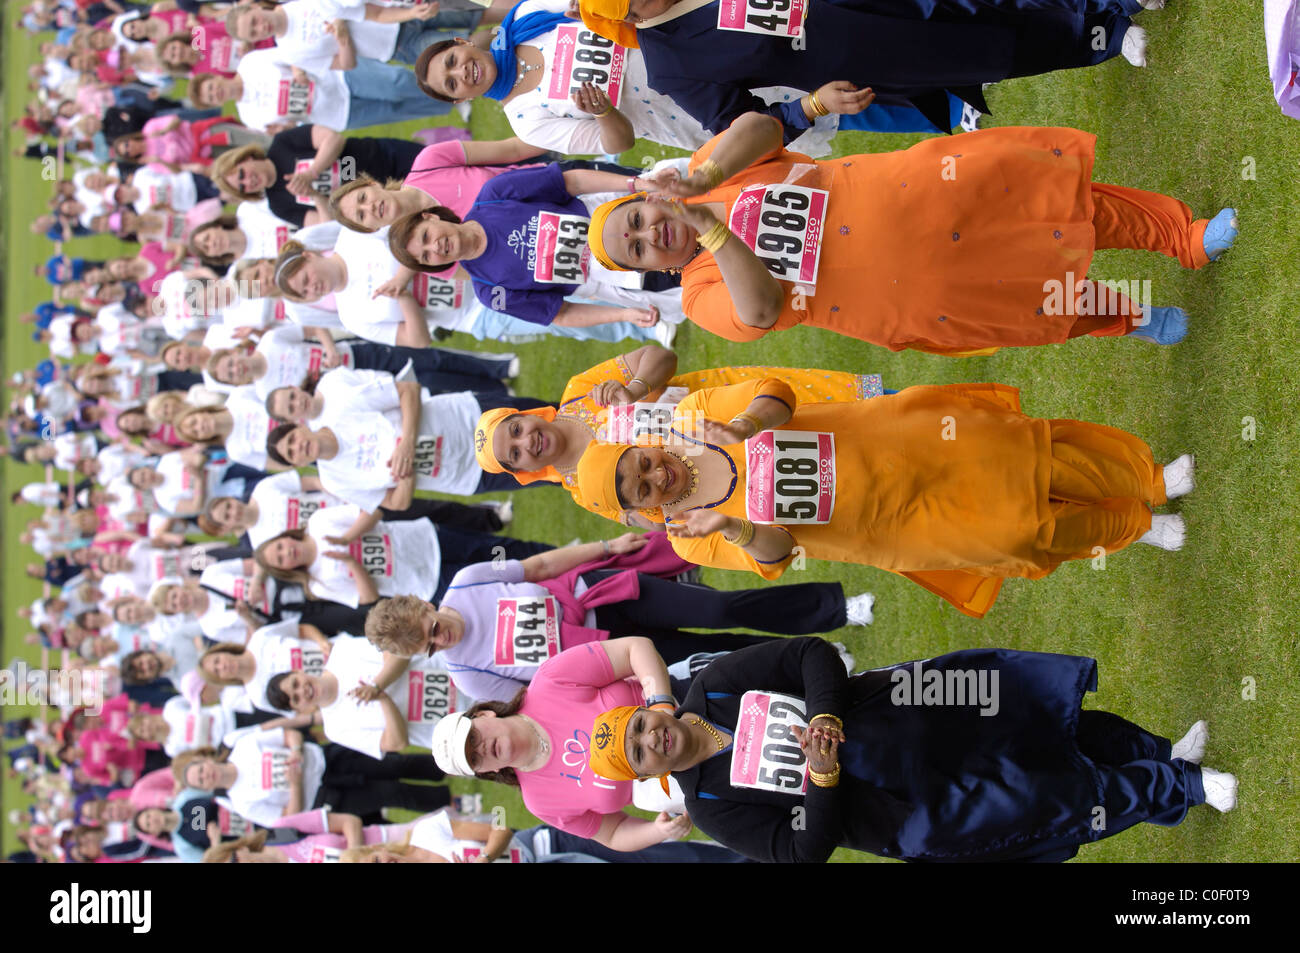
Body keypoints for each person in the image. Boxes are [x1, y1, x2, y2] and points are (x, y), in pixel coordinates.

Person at [586, 114, 1241, 354]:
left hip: (929, 189)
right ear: (656, 270)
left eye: (637, 219)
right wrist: (714, 235)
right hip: (918, 294)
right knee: (1038, 304)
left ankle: (1182, 236)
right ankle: (1130, 318)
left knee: (1058, 202)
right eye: (637, 248)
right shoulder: (701, 293)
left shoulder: (707, 174)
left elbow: (762, 128)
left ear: (648, 196)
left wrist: (711, 178)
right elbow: (757, 310)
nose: (651, 234)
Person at [575, 376, 1196, 618]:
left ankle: (1150, 481)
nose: (657, 477)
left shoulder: (693, 416)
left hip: (895, 439)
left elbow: (778, 392)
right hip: (890, 527)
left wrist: (743, 427)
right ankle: (1133, 526)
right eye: (644, 490)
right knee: (1015, 533)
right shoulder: (697, 538)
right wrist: (730, 526)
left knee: (1022, 456)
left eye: (644, 464)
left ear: (643, 448)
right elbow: (780, 553)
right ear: (646, 512)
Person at [591, 637, 1237, 862]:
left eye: (641, 727)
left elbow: (809, 655)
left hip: (913, 708)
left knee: (1039, 720)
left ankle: (1162, 756)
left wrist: (822, 713)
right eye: (641, 754)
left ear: (651, 706)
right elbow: (800, 851)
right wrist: (821, 774)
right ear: (648, 775)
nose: (653, 740)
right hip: (906, 810)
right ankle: (1181, 787)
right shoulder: (709, 805)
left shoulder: (715, 685)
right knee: (1048, 798)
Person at [364, 531, 870, 703]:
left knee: (719, 608)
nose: (443, 639)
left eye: (433, 628)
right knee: (714, 660)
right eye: (431, 648)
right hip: (606, 656)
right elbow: (535, 693)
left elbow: (540, 565)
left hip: (606, 596)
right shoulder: (470, 678)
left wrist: (606, 545)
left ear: (426, 605)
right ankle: (816, 663)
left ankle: (836, 608)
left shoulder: (470, 579)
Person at [576, 0, 1158, 139]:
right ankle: (1103, 33)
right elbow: (744, 129)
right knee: (997, 50)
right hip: (873, 51)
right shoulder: (673, 67)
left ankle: (1111, 1)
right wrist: (811, 106)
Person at [474, 343, 882, 526]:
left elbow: (661, 357)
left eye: (515, 429)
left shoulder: (582, 393)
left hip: (732, 406)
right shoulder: (583, 489)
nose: (525, 441)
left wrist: (632, 389)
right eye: (514, 453)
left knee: (841, 408)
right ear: (522, 471)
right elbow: (657, 518)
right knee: (836, 473)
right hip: (734, 478)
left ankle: (897, 410)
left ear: (525, 415)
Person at [429, 636, 740, 854]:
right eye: (474, 759)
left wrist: (660, 706)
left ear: (483, 714)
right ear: (486, 771)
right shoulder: (541, 802)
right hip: (677, 785)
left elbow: (635, 649)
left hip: (685, 701)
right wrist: (659, 832)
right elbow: (614, 833)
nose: (481, 748)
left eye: (473, 738)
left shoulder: (549, 682)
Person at [414, 0, 836, 155]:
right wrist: (602, 113)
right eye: (451, 83)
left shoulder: (526, 15)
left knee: (815, 47)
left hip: (709, 44)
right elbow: (619, 143)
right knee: (817, 110)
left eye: (451, 60)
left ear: (460, 43)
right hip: (692, 108)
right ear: (458, 100)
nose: (461, 73)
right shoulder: (526, 121)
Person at [264, 362, 552, 510]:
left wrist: (406, 444)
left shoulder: (343, 411)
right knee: (552, 471)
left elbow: (408, 389)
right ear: (295, 464)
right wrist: (407, 470)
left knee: (553, 417)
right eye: (292, 454)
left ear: (300, 427)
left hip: (470, 416)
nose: (299, 447)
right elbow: (396, 503)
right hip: (469, 474)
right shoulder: (334, 481)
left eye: (292, 439)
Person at [254, 502, 551, 606]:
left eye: (279, 547)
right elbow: (369, 599)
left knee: (499, 553)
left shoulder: (318, 523)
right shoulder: (318, 584)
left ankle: (557, 557)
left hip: (428, 539)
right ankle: (553, 587)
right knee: (497, 586)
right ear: (285, 570)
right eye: (280, 560)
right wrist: (350, 563)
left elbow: (372, 511)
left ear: (283, 538)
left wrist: (349, 537)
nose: (286, 553)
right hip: (427, 581)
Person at [340, 807, 749, 862]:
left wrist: (486, 857)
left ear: (376, 848)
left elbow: (500, 823)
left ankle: (753, 854)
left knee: (658, 856)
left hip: (551, 845)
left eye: (375, 862)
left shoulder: (426, 831)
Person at [210, 131, 423, 228]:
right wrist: (314, 195)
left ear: (246, 158)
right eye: (241, 187)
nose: (247, 182)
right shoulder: (279, 204)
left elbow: (333, 138)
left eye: (241, 174)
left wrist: (311, 173)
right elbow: (326, 225)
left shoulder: (282, 144)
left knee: (444, 165)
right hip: (383, 204)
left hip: (385, 157)